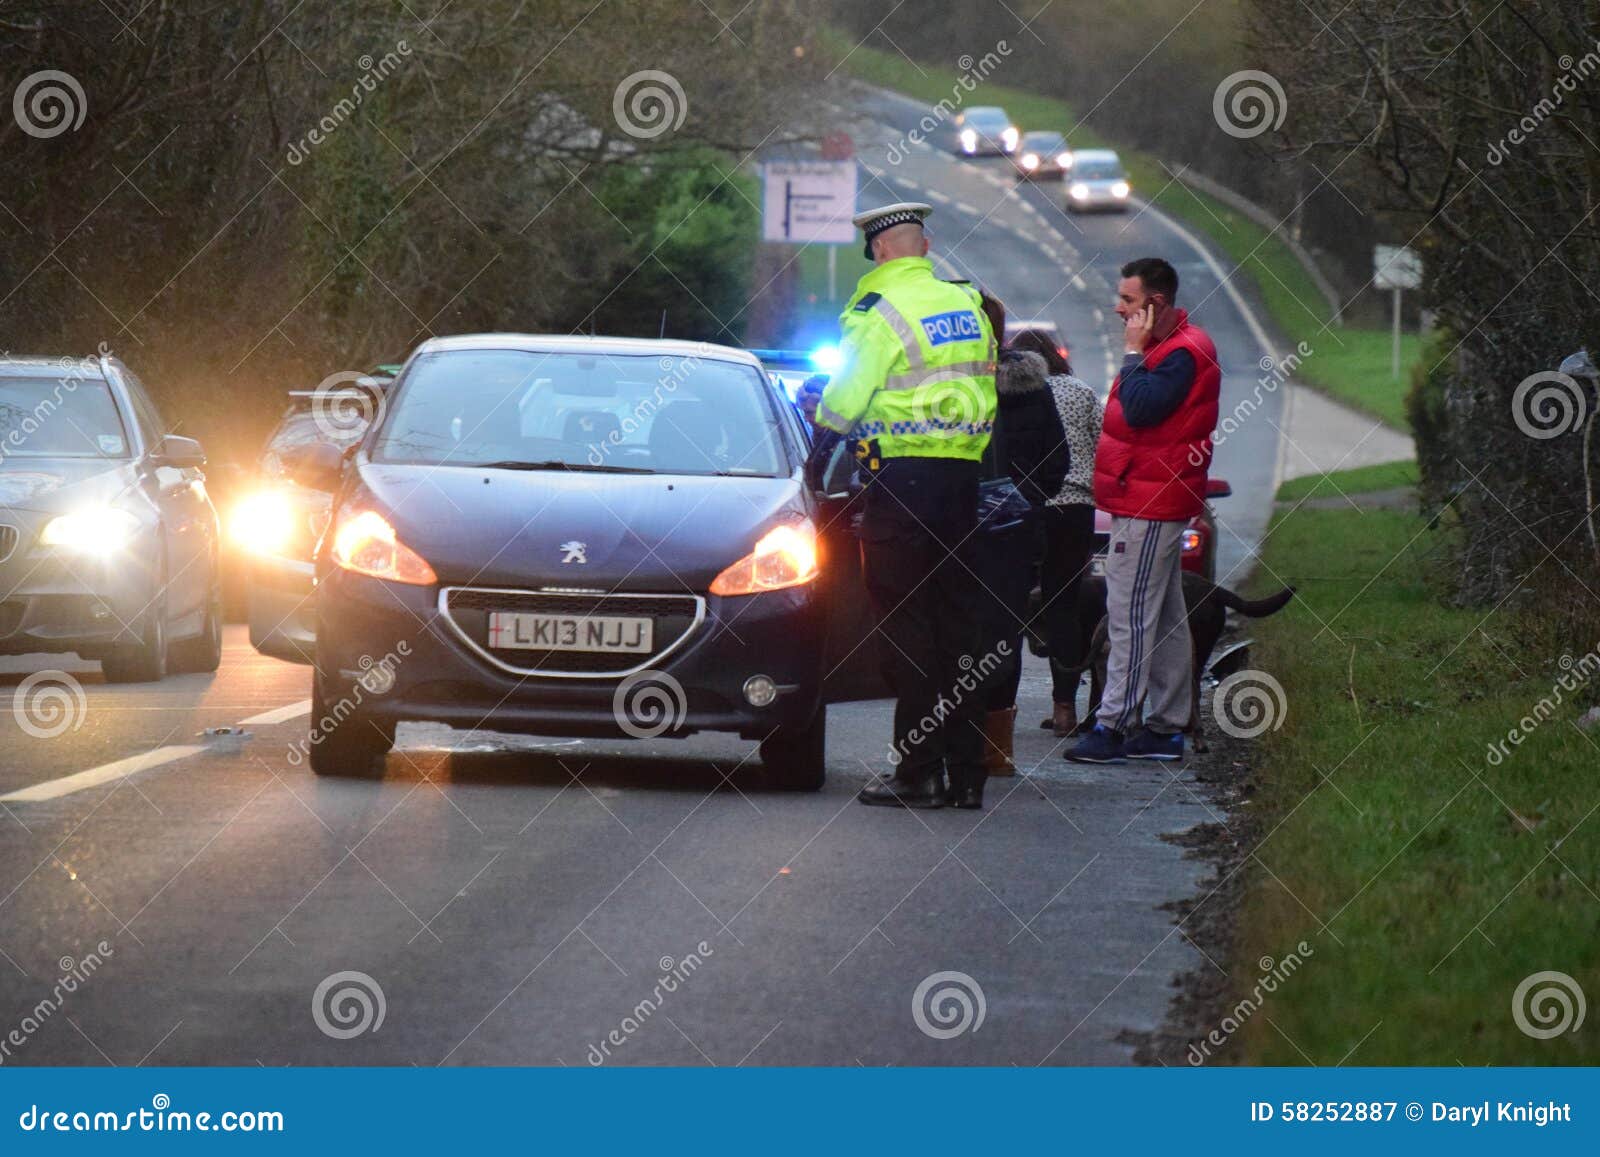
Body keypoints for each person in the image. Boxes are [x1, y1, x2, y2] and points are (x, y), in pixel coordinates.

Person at [809, 201, 998, 809]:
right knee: (957, 626)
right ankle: (969, 771)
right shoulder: (965, 303)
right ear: (925, 244)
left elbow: (842, 401)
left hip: (901, 483)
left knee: (905, 629)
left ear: (881, 250)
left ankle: (918, 770)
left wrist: (819, 437)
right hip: (962, 482)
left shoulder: (877, 310)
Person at [1067, 257, 1220, 764]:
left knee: (1128, 612)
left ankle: (1114, 725)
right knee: (1170, 617)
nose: (1119, 307)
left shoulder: (1178, 353)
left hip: (1151, 502)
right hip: (1147, 497)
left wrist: (1132, 354)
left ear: (1154, 305)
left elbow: (1141, 409)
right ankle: (1167, 727)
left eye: (1128, 301)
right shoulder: (1170, 347)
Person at [973, 293, 1069, 775]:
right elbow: (1059, 462)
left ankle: (957, 746)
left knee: (953, 633)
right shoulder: (1035, 386)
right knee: (1002, 637)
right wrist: (1025, 500)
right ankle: (995, 751)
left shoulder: (948, 384)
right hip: (1016, 535)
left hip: (960, 531)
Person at [1008, 328, 1103, 738]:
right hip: (1074, 510)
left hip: (1023, 509)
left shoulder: (1011, 393)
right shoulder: (1082, 391)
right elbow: (1103, 445)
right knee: (1063, 606)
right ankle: (1065, 709)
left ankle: (998, 715)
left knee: (1006, 609)